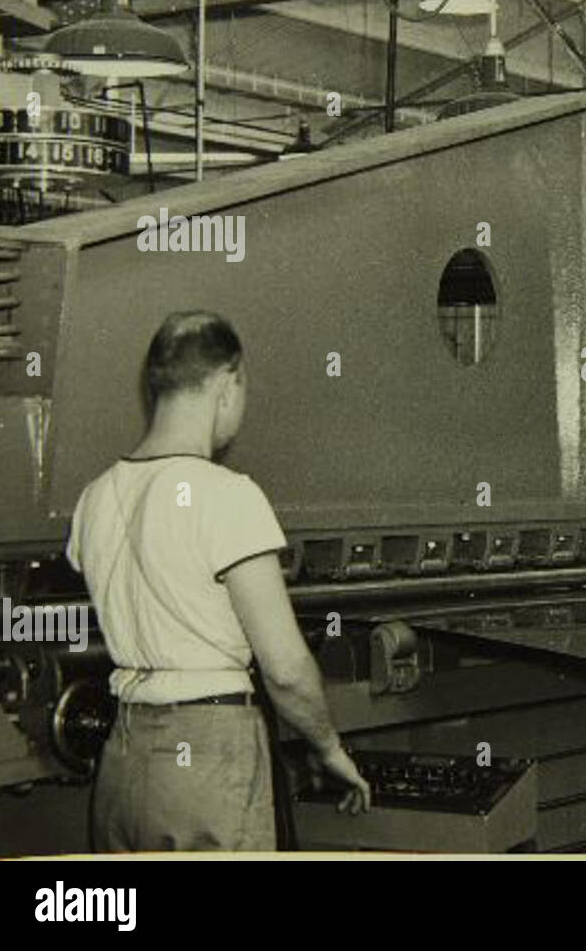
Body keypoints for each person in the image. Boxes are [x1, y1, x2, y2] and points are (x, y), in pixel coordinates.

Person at [66, 310, 370, 851]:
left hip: (122, 758)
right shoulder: (225, 495)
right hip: (208, 756)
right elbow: (286, 670)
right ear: (228, 385)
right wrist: (326, 747)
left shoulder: (95, 498)